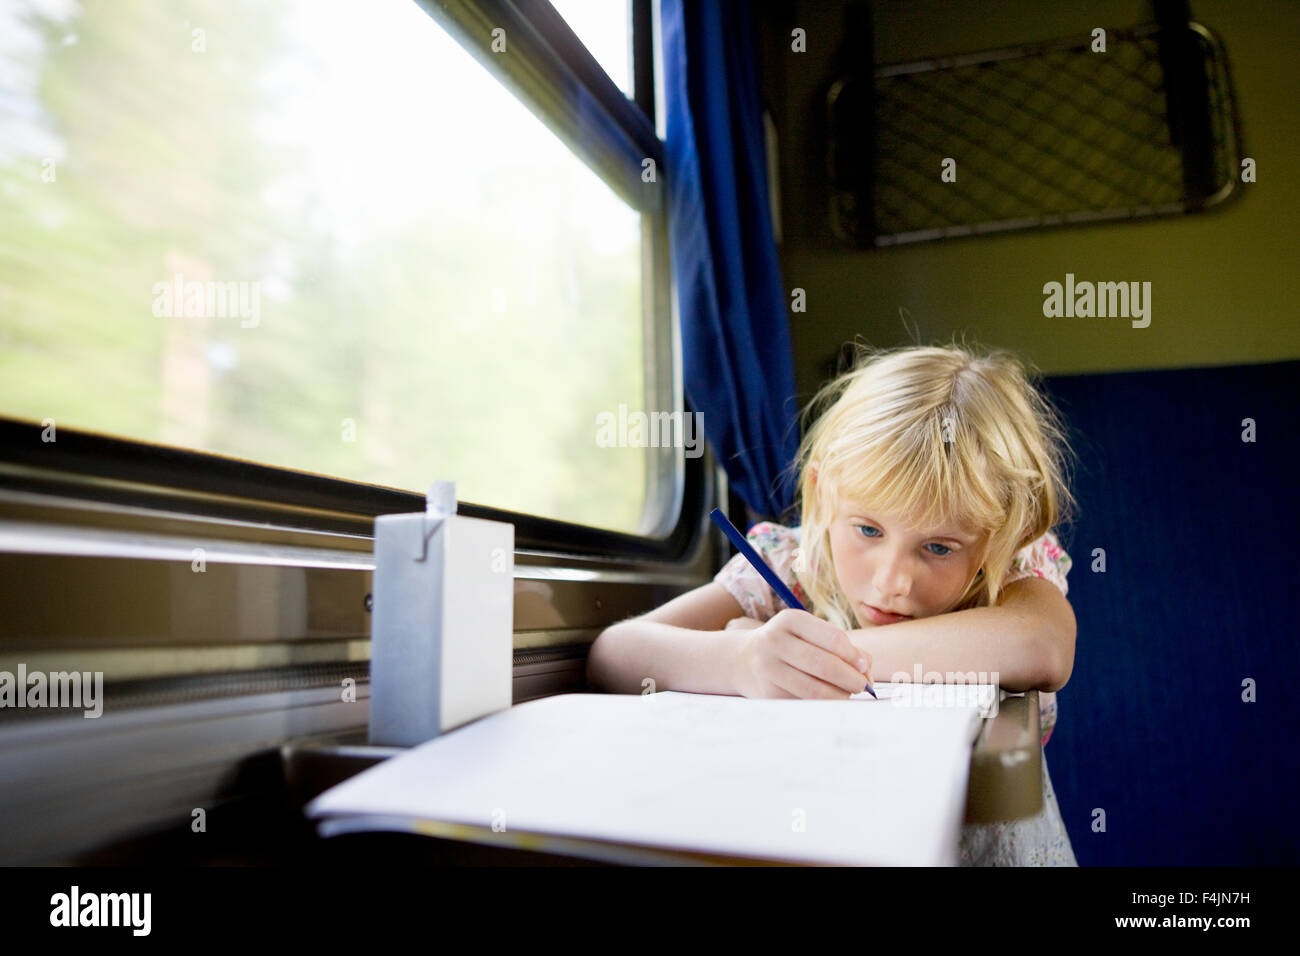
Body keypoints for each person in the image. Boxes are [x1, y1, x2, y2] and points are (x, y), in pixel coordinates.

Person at [586, 340, 1080, 865]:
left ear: (998, 538)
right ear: (823, 492)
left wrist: (820, 653)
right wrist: (742, 659)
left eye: (939, 548)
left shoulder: (1006, 572)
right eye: (868, 529)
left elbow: (1043, 646)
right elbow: (615, 654)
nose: (892, 581)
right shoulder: (789, 564)